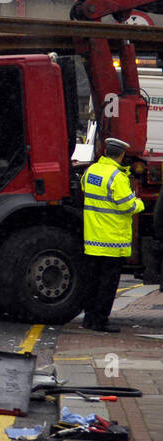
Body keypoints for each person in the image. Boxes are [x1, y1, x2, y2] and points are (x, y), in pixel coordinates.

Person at [80, 136, 144, 333]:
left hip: (93, 239)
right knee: (107, 284)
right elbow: (128, 206)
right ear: (122, 154)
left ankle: (89, 318)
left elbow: (85, 189)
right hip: (111, 242)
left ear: (106, 152)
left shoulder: (91, 171)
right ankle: (100, 321)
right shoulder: (117, 177)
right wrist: (140, 202)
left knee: (92, 281)